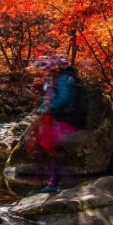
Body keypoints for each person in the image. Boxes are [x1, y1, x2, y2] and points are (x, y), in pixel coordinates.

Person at [33, 55, 79, 193]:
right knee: (51, 150)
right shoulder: (58, 79)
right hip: (57, 118)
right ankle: (54, 181)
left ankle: (56, 183)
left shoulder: (64, 79)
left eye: (51, 69)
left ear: (58, 68)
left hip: (62, 119)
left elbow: (63, 98)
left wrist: (50, 108)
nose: (49, 72)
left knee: (53, 150)